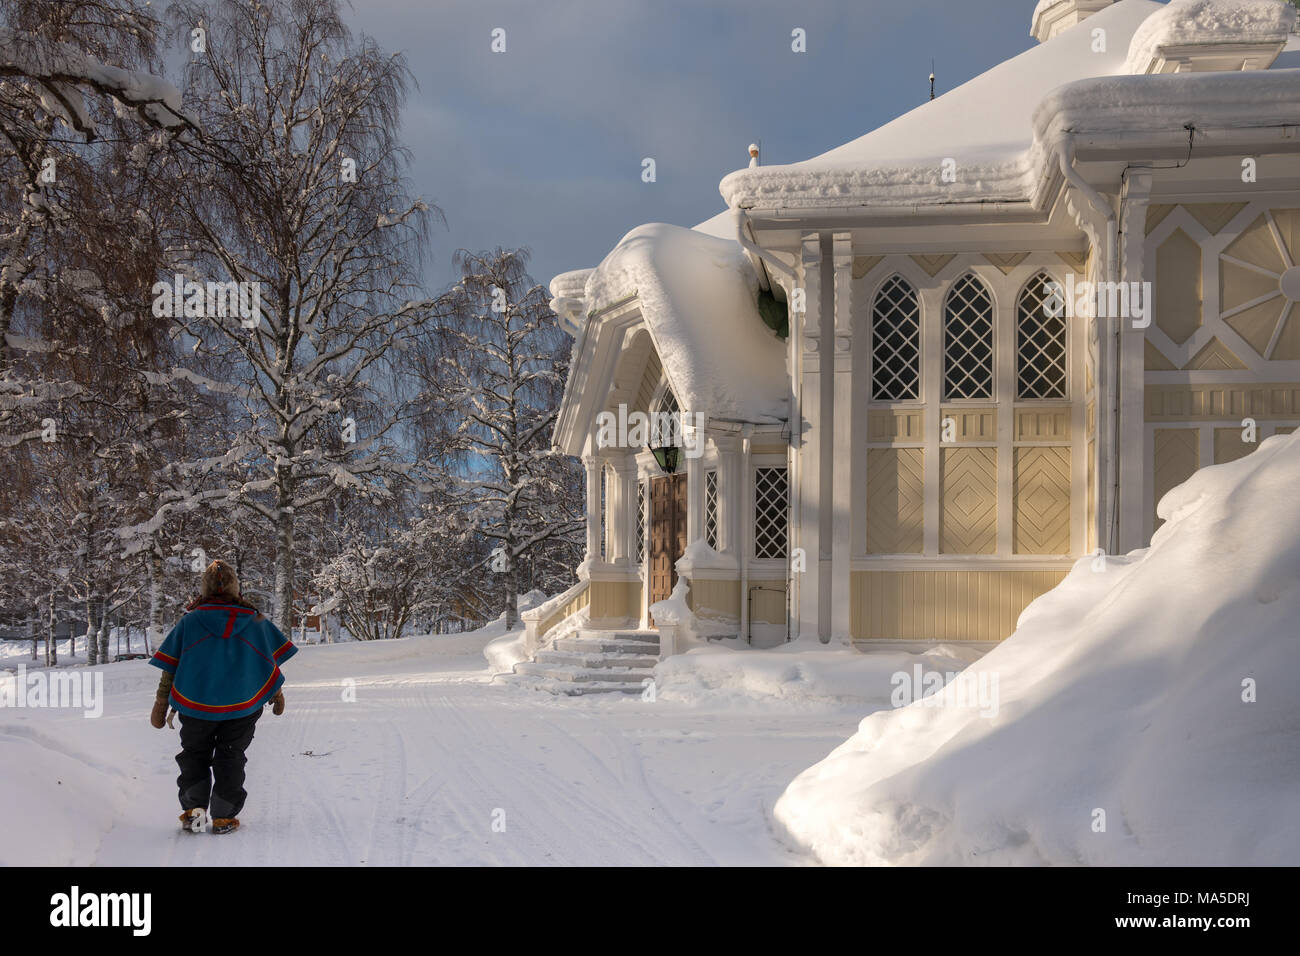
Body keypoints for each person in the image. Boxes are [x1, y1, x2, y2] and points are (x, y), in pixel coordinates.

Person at [149, 560, 296, 834]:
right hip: (241, 706)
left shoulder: (190, 621)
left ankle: (194, 814)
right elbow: (268, 663)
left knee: (194, 755)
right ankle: (224, 817)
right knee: (231, 757)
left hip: (196, 705)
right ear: (234, 587)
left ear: (205, 588)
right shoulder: (255, 621)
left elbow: (171, 667)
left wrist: (161, 701)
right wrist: (276, 692)